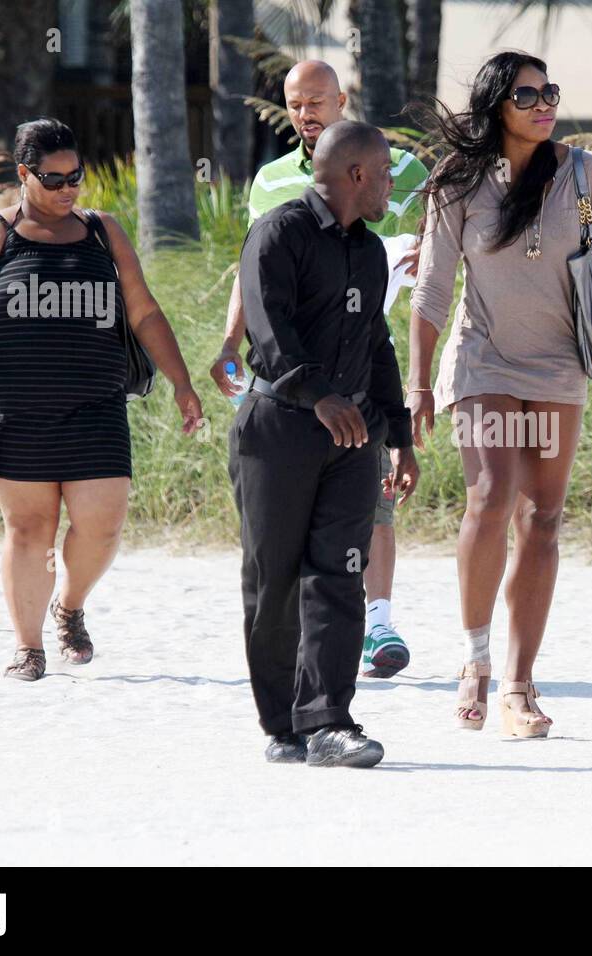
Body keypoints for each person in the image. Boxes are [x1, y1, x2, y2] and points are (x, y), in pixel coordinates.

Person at [0, 117, 204, 682]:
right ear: (23, 175)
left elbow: (144, 311)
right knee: (31, 529)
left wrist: (182, 383)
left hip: (95, 403)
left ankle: (71, 605)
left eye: (75, 177)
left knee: (103, 523)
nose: (68, 190)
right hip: (13, 409)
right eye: (54, 179)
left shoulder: (102, 232)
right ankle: (28, 647)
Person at [408, 52, 592, 738]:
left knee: (542, 518)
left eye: (549, 92)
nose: (544, 104)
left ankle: (518, 681)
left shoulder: (582, 171)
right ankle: (475, 659)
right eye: (527, 94)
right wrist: (417, 381)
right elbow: (433, 289)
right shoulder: (457, 180)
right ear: (495, 106)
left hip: (559, 365)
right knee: (490, 497)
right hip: (484, 360)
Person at [211, 60, 429, 680]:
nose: (305, 113)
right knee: (283, 536)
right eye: (294, 103)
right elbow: (254, 278)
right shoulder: (272, 183)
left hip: (366, 358)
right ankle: (293, 683)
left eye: (316, 102)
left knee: (371, 508)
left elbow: (429, 275)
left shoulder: (400, 171)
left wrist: (412, 394)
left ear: (342, 98)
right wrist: (231, 338)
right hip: (286, 386)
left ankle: (377, 620)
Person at [231, 120, 419, 768]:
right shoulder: (278, 233)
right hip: (277, 431)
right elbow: (268, 327)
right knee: (274, 580)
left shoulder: (369, 252)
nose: (392, 188)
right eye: (388, 174)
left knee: (340, 574)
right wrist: (318, 395)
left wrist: (401, 435)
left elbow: (377, 344)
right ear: (357, 174)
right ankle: (282, 725)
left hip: (352, 439)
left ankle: (330, 722)